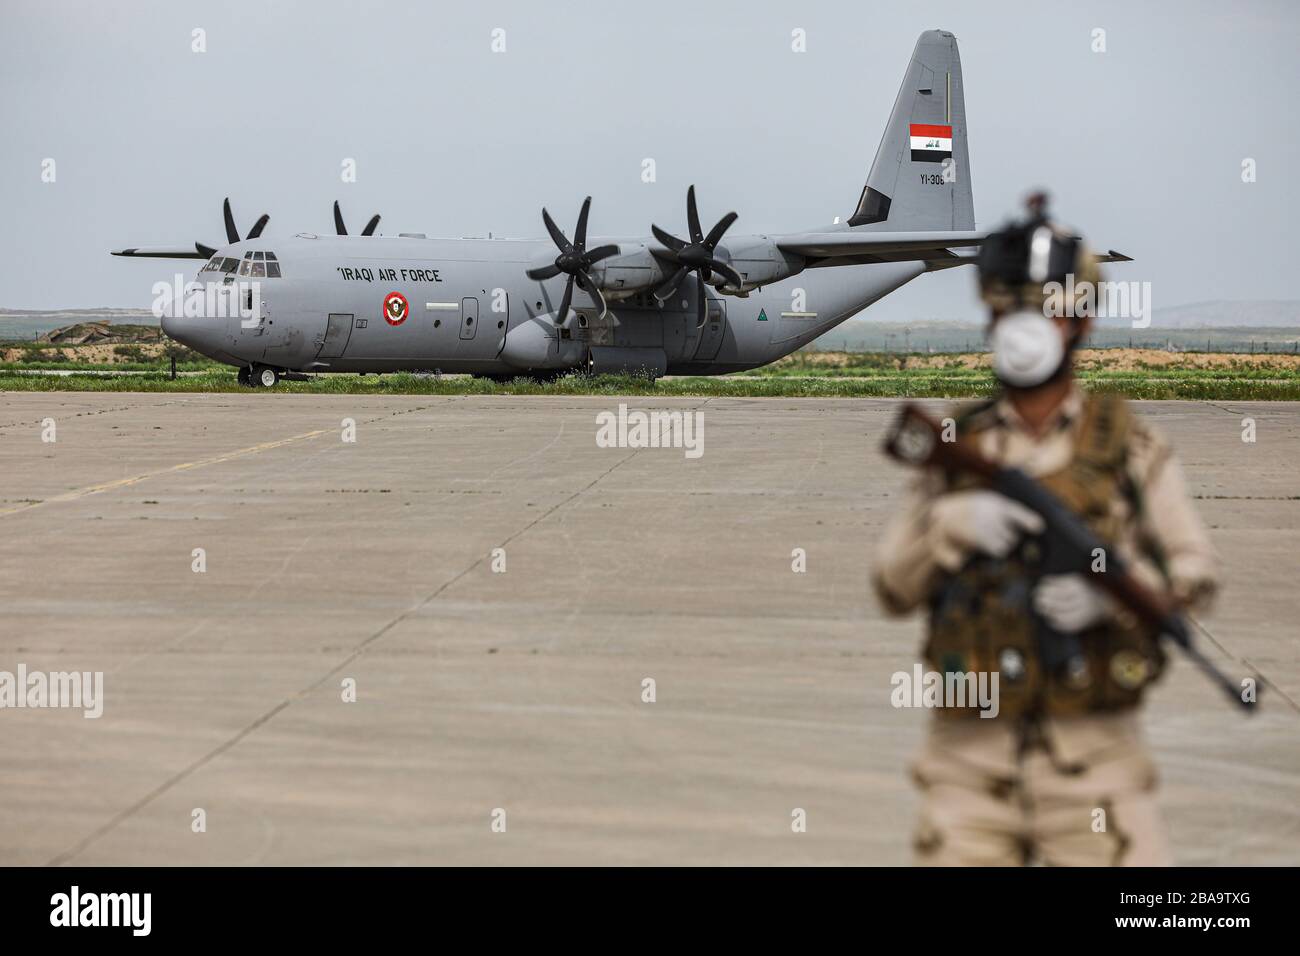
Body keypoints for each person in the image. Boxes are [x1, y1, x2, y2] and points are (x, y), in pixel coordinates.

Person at [871, 194, 1218, 866]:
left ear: (1082, 321)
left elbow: (1193, 574)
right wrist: (948, 523)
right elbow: (891, 584)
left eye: (1046, 307)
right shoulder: (956, 445)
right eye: (1009, 307)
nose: (1024, 325)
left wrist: (1115, 594)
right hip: (968, 763)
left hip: (1096, 763)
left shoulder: (1130, 449)